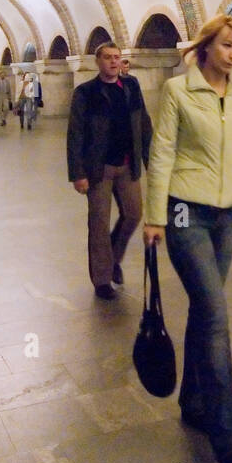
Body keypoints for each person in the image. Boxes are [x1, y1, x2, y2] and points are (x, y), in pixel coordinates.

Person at [144, 15, 232, 463]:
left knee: (203, 308)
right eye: (227, 45)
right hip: (183, 212)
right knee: (215, 313)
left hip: (227, 214)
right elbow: (163, 153)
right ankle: (230, 441)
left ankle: (194, 401)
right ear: (207, 47)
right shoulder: (178, 91)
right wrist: (155, 216)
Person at [67, 42, 153, 299]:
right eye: (108, 58)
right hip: (99, 167)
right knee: (99, 222)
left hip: (127, 164)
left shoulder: (131, 86)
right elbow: (75, 134)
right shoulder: (86, 92)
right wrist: (78, 174)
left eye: (117, 57)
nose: (114, 62)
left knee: (134, 214)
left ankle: (113, 257)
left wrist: (152, 161)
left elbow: (144, 124)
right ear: (98, 61)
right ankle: (102, 280)